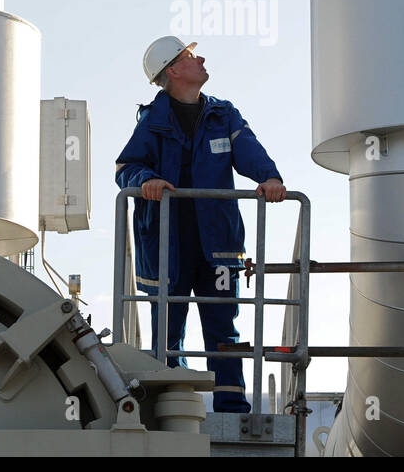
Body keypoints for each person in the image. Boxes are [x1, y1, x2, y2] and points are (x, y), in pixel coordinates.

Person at [115, 36, 285, 414]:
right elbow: (126, 168)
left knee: (223, 327)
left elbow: (250, 151)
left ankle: (230, 404)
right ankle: (168, 403)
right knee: (168, 326)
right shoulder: (152, 121)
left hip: (218, 244)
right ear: (173, 71)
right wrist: (146, 181)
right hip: (166, 243)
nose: (202, 58)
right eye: (191, 56)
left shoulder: (224, 115)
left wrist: (269, 178)